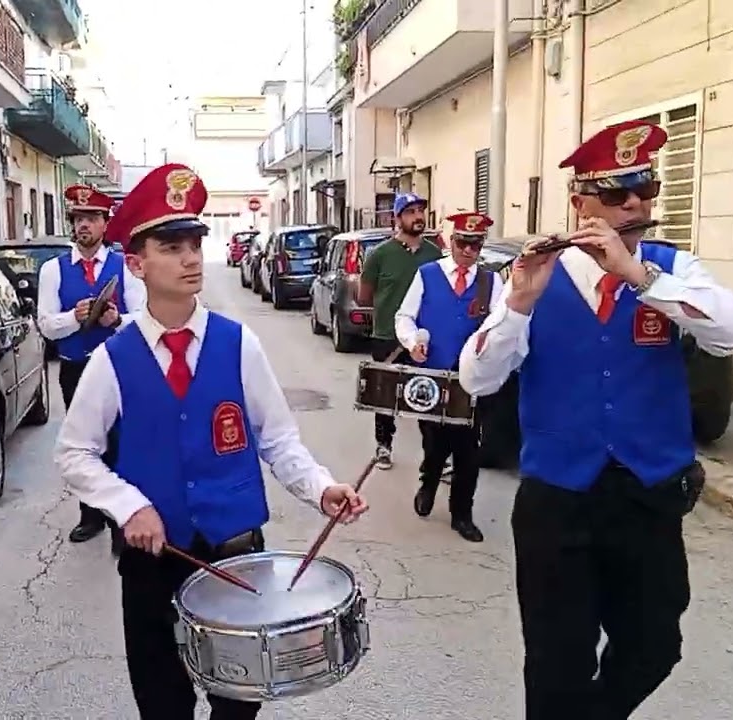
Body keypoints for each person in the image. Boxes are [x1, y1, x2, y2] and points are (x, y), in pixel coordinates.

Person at [458, 119, 733, 720]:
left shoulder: (671, 270)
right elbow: (477, 378)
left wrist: (639, 277)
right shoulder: (534, 276)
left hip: (646, 493)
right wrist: (517, 305)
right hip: (558, 497)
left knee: (654, 645)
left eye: (646, 193)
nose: (635, 207)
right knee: (556, 661)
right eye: (618, 196)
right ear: (580, 203)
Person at [54, 163, 369, 720]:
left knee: (238, 705)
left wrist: (322, 488)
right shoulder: (112, 359)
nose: (191, 257)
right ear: (136, 263)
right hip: (154, 560)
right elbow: (75, 452)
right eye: (171, 246)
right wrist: (129, 507)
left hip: (235, 555)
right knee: (162, 702)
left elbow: (278, 439)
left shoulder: (238, 343)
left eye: (195, 243)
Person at [36, 183, 146, 551]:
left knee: (121, 441)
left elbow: (144, 317)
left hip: (119, 368)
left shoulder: (123, 266)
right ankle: (90, 514)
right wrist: (75, 317)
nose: (84, 225)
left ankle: (121, 516)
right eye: (79, 218)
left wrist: (115, 320)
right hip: (75, 367)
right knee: (85, 443)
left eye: (92, 218)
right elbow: (46, 324)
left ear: (105, 224)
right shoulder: (53, 269)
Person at [395, 212, 503, 543]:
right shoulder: (427, 274)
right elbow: (405, 317)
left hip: (472, 381)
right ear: (450, 242)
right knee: (434, 442)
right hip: (431, 377)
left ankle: (462, 514)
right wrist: (413, 344)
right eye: (463, 243)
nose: (468, 251)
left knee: (468, 450)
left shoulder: (491, 282)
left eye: (476, 244)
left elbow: (499, 327)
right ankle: (428, 483)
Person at [355, 192, 445, 469]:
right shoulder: (379, 255)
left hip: (423, 339)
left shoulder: (434, 253)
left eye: (420, 210)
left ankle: (434, 458)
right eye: (410, 212)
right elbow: (364, 296)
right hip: (387, 337)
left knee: (427, 396)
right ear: (397, 218)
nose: (417, 216)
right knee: (385, 397)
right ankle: (384, 445)